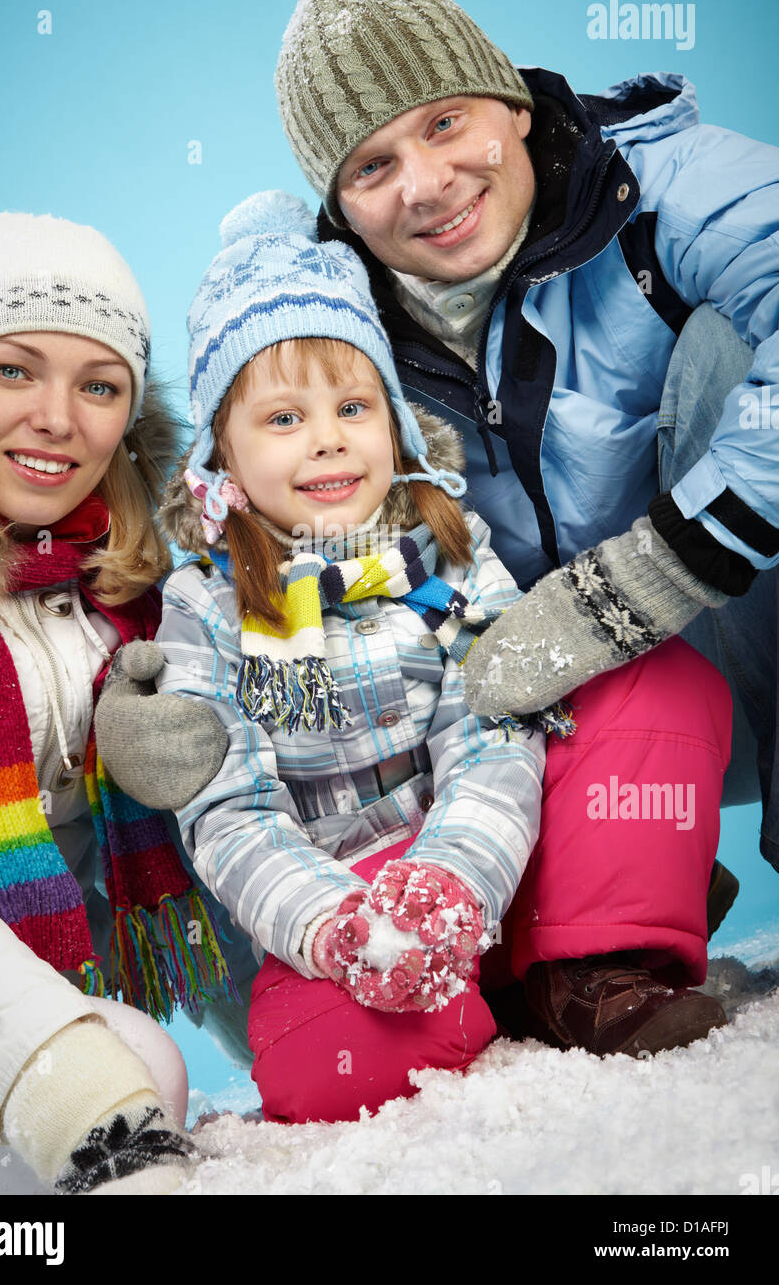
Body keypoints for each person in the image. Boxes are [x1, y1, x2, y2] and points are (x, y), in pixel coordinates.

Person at [127, 189, 730, 1125]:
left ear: (396, 428)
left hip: (485, 856)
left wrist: (454, 875)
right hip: (350, 903)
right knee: (327, 1073)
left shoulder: (444, 555)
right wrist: (335, 925)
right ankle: (484, 995)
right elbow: (232, 814)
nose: (328, 437)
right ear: (224, 462)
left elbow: (496, 727)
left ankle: (592, 962)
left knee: (649, 681)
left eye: (354, 405)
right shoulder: (203, 610)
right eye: (283, 419)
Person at [273, 0, 779, 892]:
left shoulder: (663, 188)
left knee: (729, 351)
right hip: (543, 714)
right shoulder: (330, 342)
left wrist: (657, 572)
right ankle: (592, 904)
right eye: (373, 166)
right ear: (340, 207)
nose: (426, 185)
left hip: (753, 656)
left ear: (514, 107)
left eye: (444, 122)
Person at [0, 212, 231, 1195]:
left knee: (145, 1057)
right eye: (12, 369)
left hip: (13, 1026)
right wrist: (83, 1098)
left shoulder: (129, 604)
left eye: (98, 386)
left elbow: (205, 852)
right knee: (117, 1076)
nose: (58, 417)